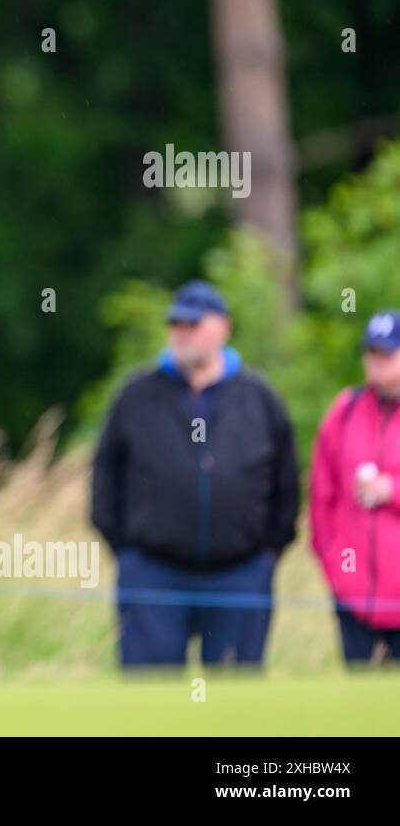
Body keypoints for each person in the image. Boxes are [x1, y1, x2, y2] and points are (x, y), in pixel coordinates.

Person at [92, 280, 299, 667]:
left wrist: (268, 554)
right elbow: (105, 480)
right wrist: (130, 555)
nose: (183, 334)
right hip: (154, 574)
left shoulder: (259, 398)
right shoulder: (136, 397)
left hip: (240, 572)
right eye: (176, 325)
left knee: (235, 705)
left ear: (223, 328)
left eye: (194, 324)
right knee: (150, 704)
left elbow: (286, 486)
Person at [310, 310, 400, 664]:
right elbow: (322, 498)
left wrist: (392, 492)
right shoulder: (345, 412)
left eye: (387, 355)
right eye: (371, 354)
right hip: (356, 598)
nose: (376, 364)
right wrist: (336, 567)